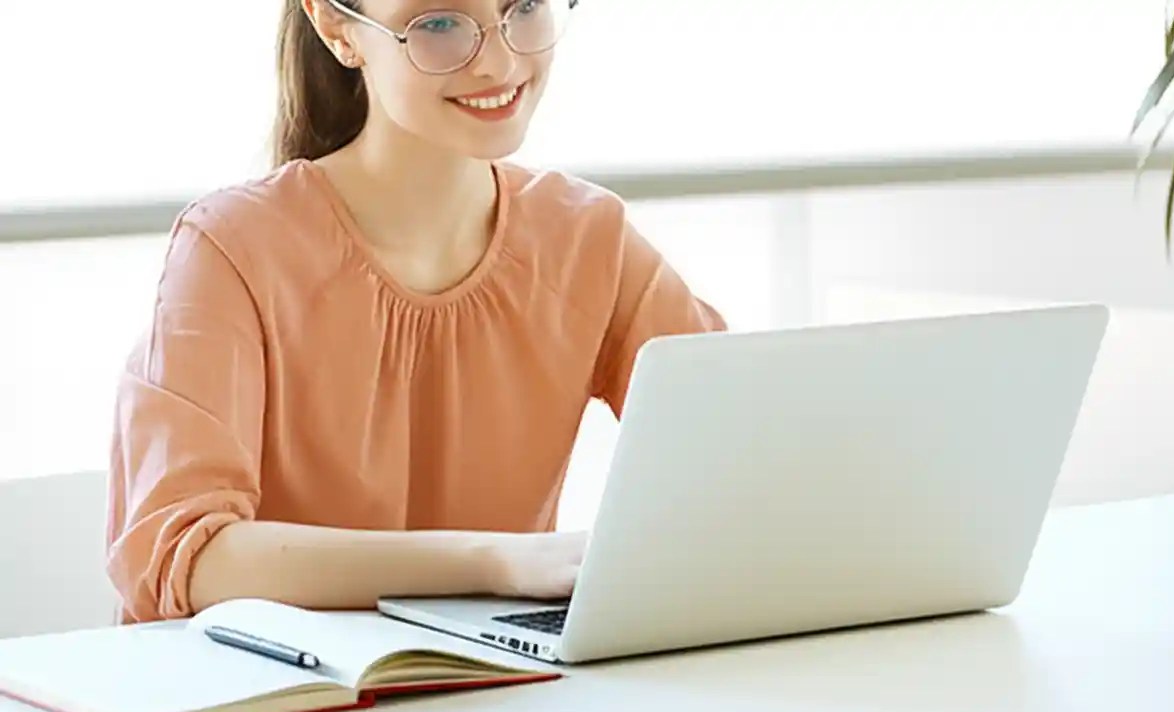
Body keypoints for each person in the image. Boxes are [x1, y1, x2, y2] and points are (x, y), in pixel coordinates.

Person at [105, 0, 725, 624]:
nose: (499, 62)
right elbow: (188, 555)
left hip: (491, 678)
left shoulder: (588, 238)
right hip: (259, 677)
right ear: (336, 28)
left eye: (525, 6)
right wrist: (492, 563)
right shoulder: (231, 245)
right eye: (438, 24)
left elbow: (743, 445)